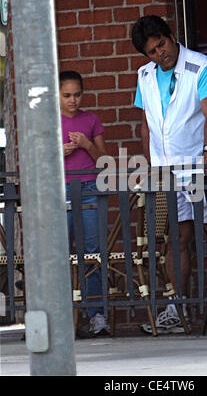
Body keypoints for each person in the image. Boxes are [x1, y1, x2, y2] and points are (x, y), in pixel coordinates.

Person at [132, 15, 207, 334]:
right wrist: (152, 163)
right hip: (168, 171)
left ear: (171, 35)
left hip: (200, 169)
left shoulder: (203, 68)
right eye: (151, 51)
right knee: (179, 239)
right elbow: (146, 124)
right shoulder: (145, 75)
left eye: (161, 44)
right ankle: (177, 309)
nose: (159, 54)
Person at [59, 70, 109, 337]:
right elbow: (40, 159)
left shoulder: (90, 119)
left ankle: (97, 313)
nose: (72, 100)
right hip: (61, 190)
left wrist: (87, 144)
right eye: (66, 95)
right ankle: (63, 316)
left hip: (90, 187)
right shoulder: (51, 121)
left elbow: (104, 160)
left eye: (77, 95)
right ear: (57, 95)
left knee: (92, 252)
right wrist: (59, 151)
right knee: (61, 254)